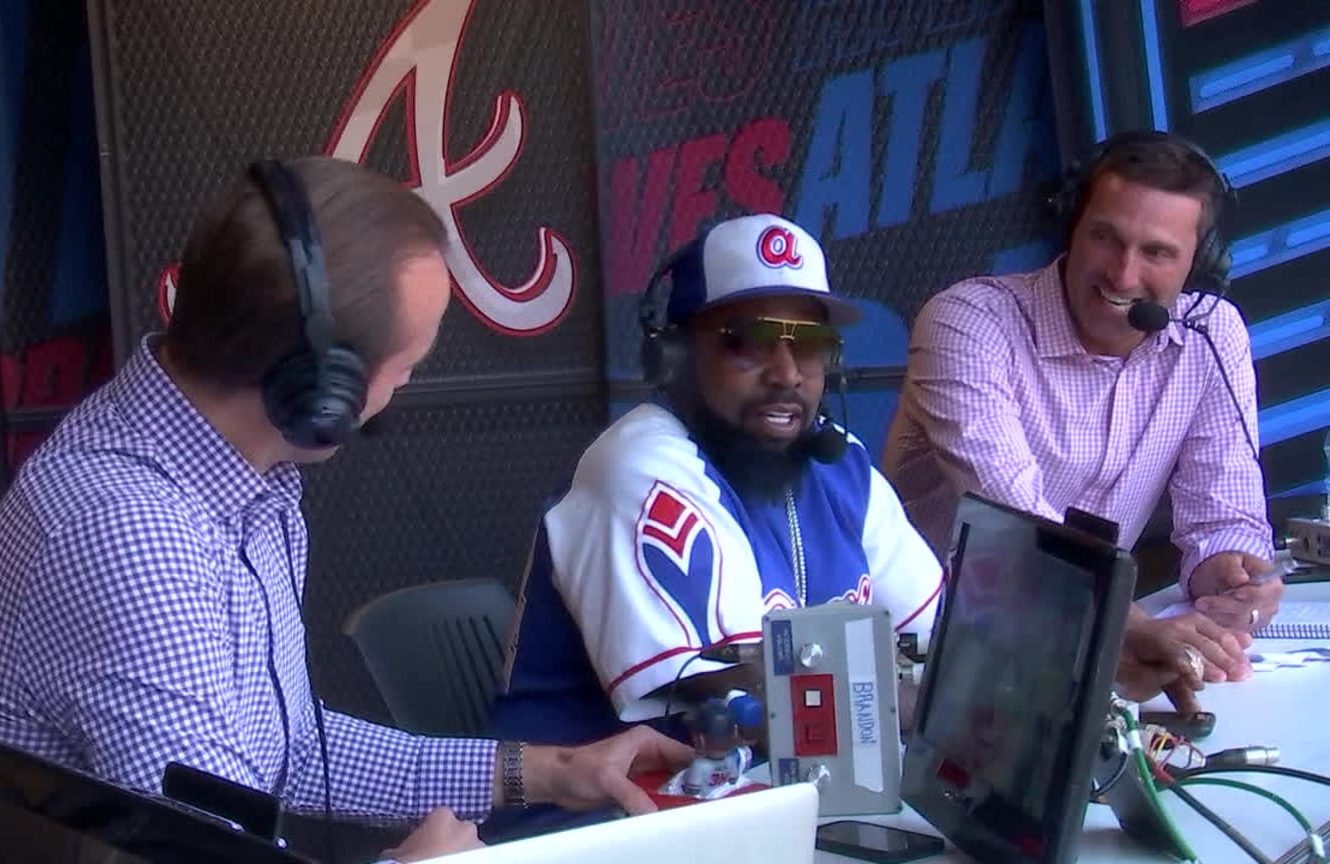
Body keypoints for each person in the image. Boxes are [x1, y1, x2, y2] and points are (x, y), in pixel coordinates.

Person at [0, 156, 692, 864]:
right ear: (321, 390)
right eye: (406, 366)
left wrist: (552, 771)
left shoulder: (247, 482)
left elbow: (286, 751)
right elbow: (214, 855)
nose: (406, 388)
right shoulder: (131, 535)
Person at [487, 214, 947, 750]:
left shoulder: (838, 465)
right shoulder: (637, 470)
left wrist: (950, 687)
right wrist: (929, 698)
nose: (787, 373)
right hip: (599, 820)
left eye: (810, 343)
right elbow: (746, 706)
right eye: (750, 341)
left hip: (771, 805)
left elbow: (930, 643)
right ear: (676, 356)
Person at [880, 130, 1272, 706]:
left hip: (1077, 653)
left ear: (1200, 264)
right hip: (922, 659)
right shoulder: (968, 321)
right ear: (1071, 228)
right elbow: (1016, 522)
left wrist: (1229, 578)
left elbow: (1225, 515)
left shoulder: (1211, 333)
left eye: (1157, 252)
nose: (1122, 274)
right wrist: (1128, 625)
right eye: (1105, 238)